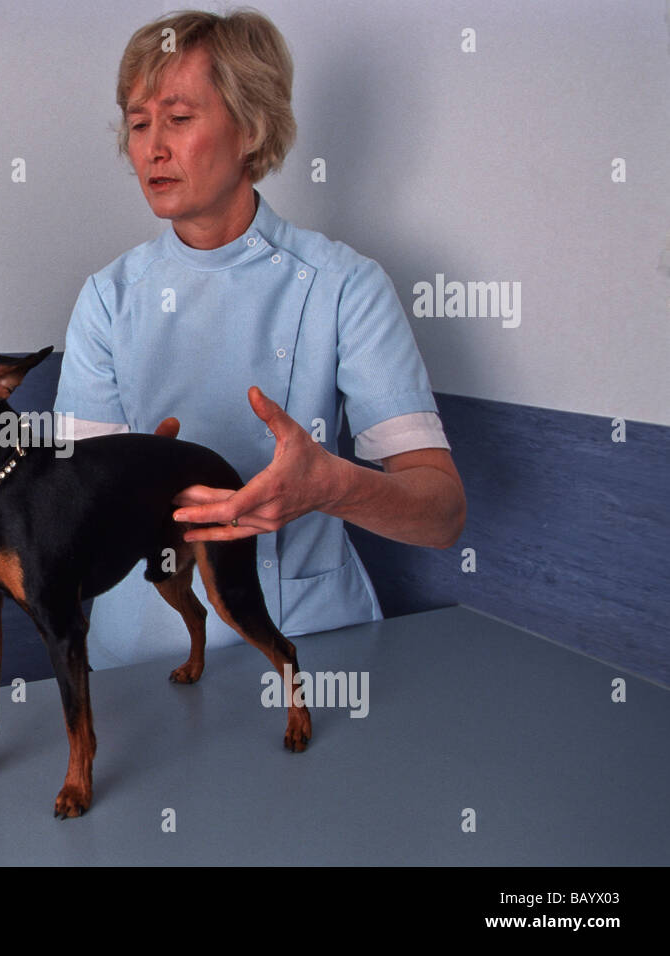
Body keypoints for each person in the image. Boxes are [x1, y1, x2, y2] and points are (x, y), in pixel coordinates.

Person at [54, 10, 466, 669]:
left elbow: (442, 516)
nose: (152, 147)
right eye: (138, 123)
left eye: (178, 117)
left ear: (250, 127)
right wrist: (124, 486)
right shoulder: (109, 298)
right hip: (141, 662)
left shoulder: (343, 286)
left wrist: (329, 486)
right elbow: (70, 519)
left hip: (312, 645)